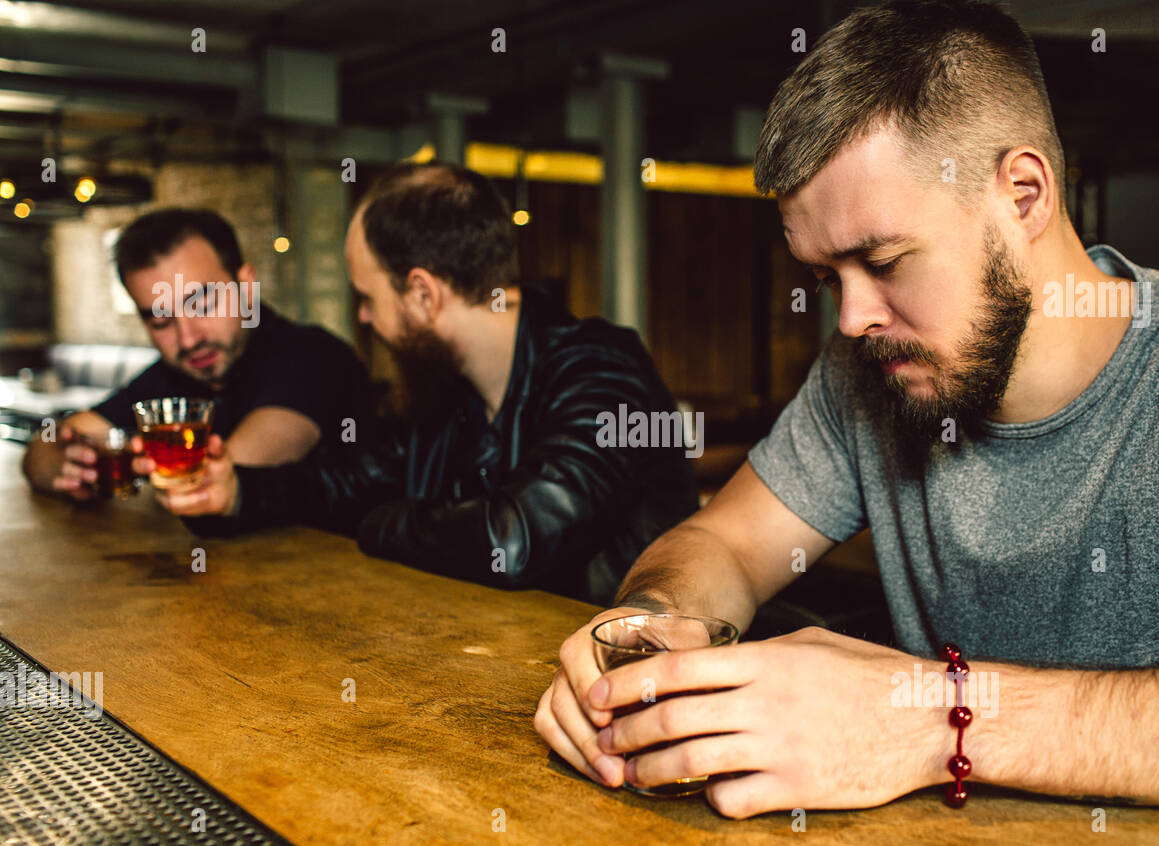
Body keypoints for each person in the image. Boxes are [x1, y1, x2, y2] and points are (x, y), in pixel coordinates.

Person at [534, 0, 1159, 818]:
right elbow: (725, 541)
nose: (852, 319)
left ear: (1026, 194)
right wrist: (653, 625)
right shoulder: (870, 373)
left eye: (885, 259)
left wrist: (937, 718)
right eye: (829, 277)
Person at [157, 162, 699, 606]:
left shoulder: (601, 370)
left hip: (622, 680)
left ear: (422, 294)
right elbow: (345, 480)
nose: (364, 319)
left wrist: (381, 525)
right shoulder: (445, 387)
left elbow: (513, 541)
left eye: (367, 298)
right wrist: (237, 493)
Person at [22, 208, 372, 498]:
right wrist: (68, 465)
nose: (188, 339)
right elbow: (43, 446)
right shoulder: (170, 376)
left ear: (246, 286)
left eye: (202, 303)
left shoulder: (313, 357)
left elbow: (219, 479)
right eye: (160, 320)